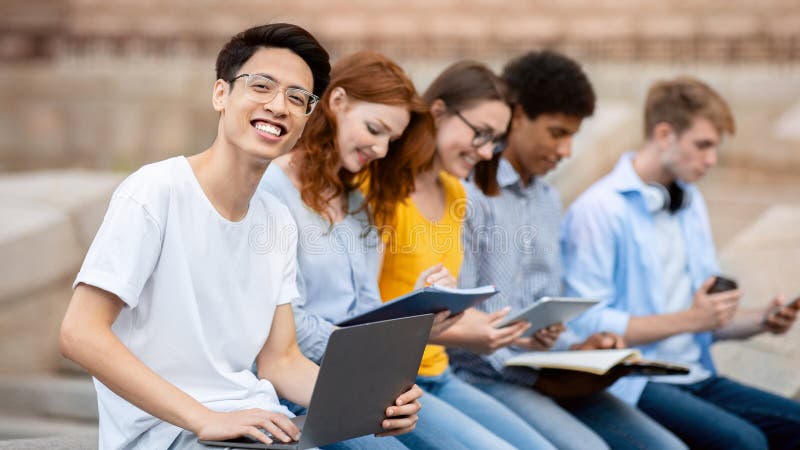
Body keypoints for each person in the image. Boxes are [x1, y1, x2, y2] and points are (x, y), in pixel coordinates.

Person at [58, 24, 422, 450]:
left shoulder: (277, 220)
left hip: (258, 422)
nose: (278, 106)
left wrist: (373, 401)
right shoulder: (156, 191)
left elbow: (282, 361)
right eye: (262, 86)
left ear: (307, 117)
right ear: (220, 95)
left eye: (297, 98)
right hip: (170, 432)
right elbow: (79, 333)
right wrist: (204, 417)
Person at [452, 50, 687, 450]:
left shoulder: (547, 199)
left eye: (573, 136)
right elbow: (458, 326)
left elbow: (544, 310)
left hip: (548, 371)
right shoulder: (469, 194)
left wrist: (577, 349)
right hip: (485, 377)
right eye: (557, 132)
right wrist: (546, 375)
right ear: (518, 116)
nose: (567, 151)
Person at [260, 50, 483, 450]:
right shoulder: (271, 192)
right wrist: (370, 356)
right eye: (374, 129)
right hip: (296, 389)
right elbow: (287, 327)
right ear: (338, 102)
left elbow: (365, 308)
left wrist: (415, 316)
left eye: (390, 140)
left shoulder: (359, 202)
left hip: (364, 379)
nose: (381, 150)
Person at [561, 76, 800, 450]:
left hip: (697, 375)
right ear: (664, 134)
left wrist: (761, 321)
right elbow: (584, 323)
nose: (711, 160)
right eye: (702, 145)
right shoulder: (598, 210)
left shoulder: (689, 202)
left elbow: (705, 321)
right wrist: (691, 319)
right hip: (636, 381)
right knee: (744, 442)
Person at [377, 60, 557, 449]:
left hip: (437, 375)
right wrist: (474, 337)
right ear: (438, 112)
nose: (487, 152)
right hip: (386, 381)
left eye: (495, 141)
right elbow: (366, 312)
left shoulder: (457, 193)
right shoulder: (379, 188)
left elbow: (443, 308)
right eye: (481, 134)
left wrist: (517, 333)